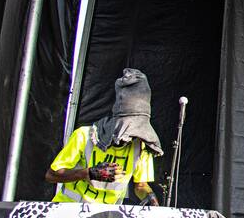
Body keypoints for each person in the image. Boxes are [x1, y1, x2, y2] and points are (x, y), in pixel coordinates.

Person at [46, 68, 163, 206]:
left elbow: (140, 185)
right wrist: (87, 173)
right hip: (69, 212)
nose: (134, 136)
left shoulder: (142, 146)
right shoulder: (84, 136)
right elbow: (51, 175)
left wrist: (151, 199)